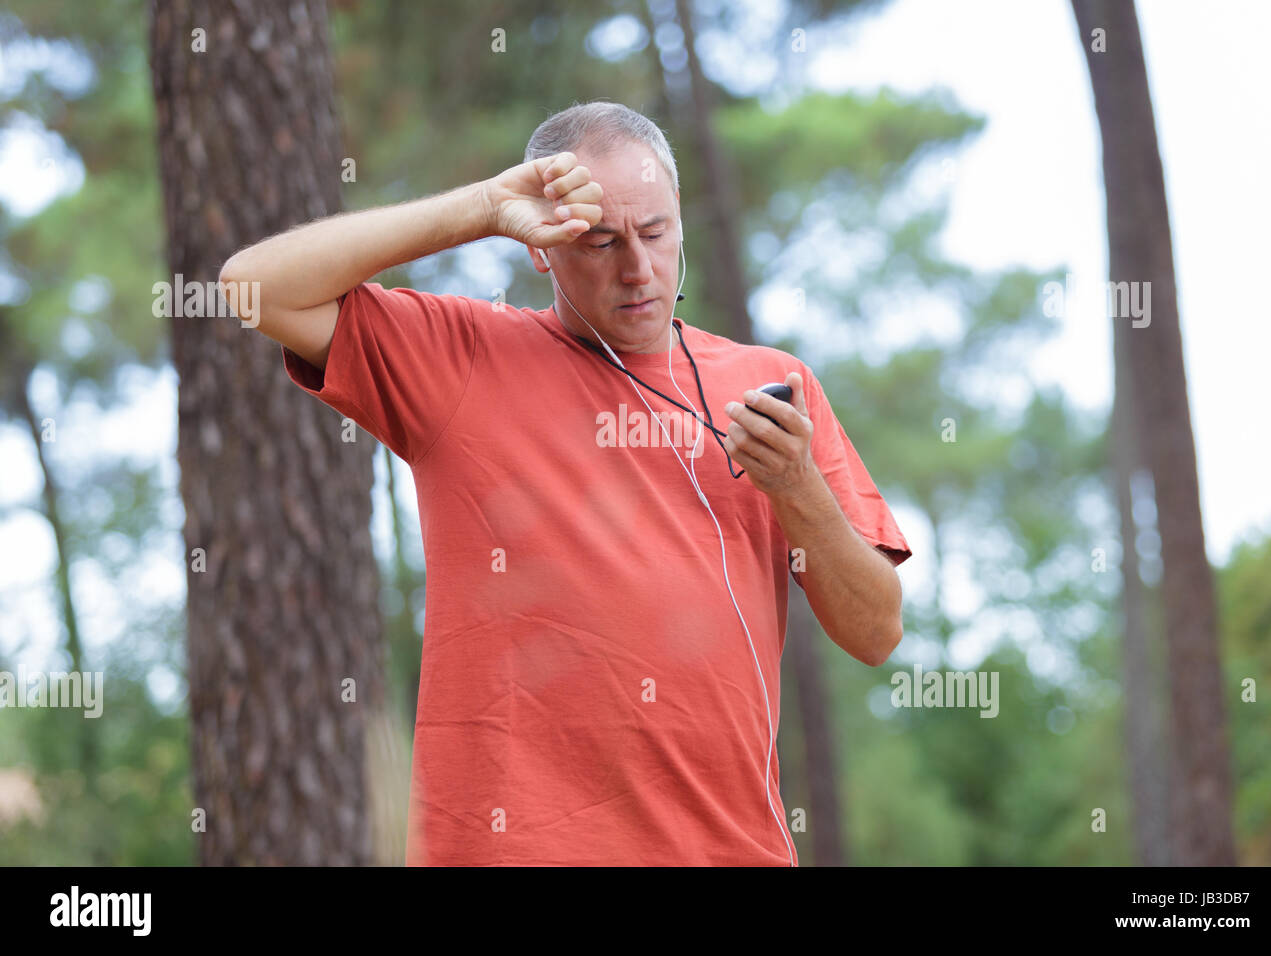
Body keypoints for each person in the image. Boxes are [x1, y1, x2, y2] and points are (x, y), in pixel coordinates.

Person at [219, 101, 911, 866]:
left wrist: (799, 488)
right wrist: (481, 207)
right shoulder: (463, 355)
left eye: (655, 233)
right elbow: (253, 287)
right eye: (601, 241)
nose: (637, 270)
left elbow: (876, 632)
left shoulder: (771, 387)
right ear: (543, 247)